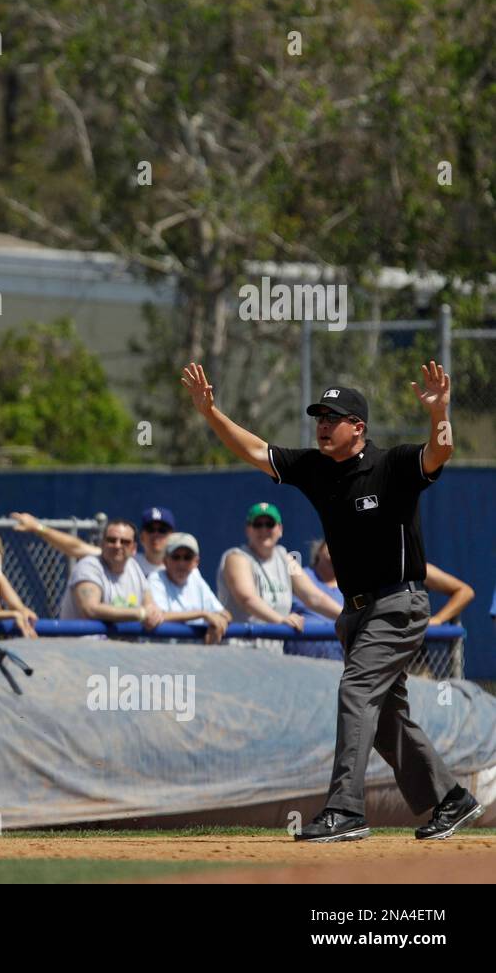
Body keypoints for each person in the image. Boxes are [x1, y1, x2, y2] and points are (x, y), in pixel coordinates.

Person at [183, 361, 483, 843]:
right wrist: (212, 412)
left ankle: (345, 810)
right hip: (357, 612)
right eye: (319, 417)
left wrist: (440, 411)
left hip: (398, 603)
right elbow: (257, 450)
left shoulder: (393, 465)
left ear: (358, 428)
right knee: (384, 719)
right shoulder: (317, 470)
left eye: (333, 417)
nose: (322, 425)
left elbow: (440, 449)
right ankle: (451, 798)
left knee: (355, 692)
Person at [215, 503, 341, 640]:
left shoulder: (287, 559)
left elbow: (314, 597)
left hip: (273, 654)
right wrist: (281, 621)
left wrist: (348, 616)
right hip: (238, 649)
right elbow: (247, 599)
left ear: (280, 529)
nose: (264, 529)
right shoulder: (236, 557)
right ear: (248, 530)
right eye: (257, 524)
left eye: (269, 524)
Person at [297, 539, 474, 629]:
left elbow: (464, 591)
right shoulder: (363, 570)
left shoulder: (416, 567)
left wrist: (438, 620)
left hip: (414, 658)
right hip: (375, 655)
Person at [58, 518, 163, 633]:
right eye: (112, 540)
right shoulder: (88, 566)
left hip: (122, 647)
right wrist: (140, 613)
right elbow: (91, 609)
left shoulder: (133, 567)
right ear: (102, 544)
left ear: (133, 549)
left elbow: (149, 605)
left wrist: (154, 612)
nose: (117, 545)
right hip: (80, 646)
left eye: (125, 542)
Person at [148, 533, 232, 644]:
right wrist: (203, 614)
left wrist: (219, 624)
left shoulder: (195, 577)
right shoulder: (155, 579)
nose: (181, 563)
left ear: (196, 562)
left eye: (187, 557)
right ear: (165, 561)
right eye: (176, 557)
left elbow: (224, 613)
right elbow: (160, 616)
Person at [11, 511, 101, 560]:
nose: (115, 546)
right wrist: (37, 527)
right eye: (111, 540)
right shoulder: (105, 557)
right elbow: (77, 547)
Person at [135, 507, 175, 577]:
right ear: (141, 537)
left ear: (172, 537)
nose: (156, 535)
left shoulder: (183, 567)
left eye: (162, 530)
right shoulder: (129, 564)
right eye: (150, 530)